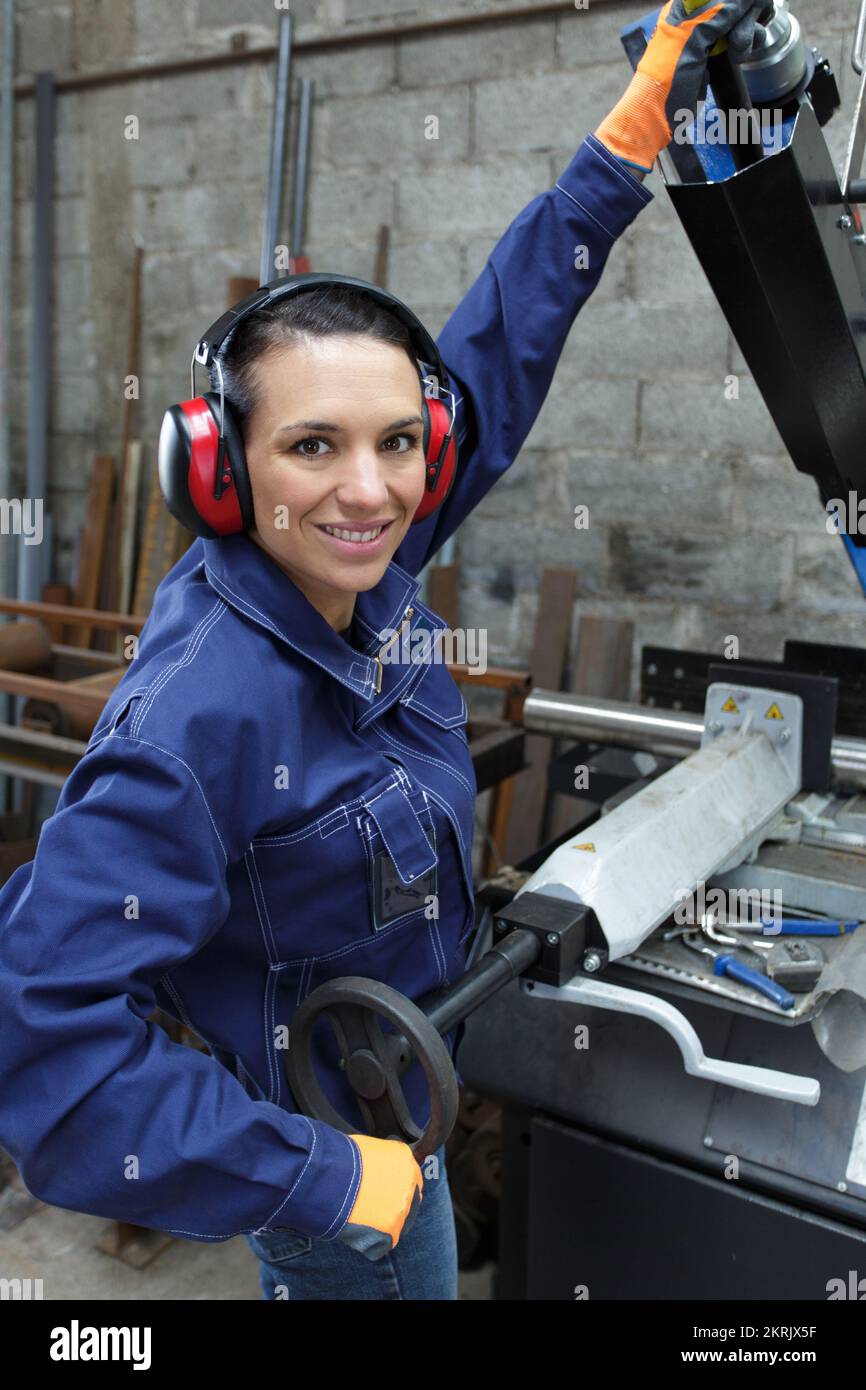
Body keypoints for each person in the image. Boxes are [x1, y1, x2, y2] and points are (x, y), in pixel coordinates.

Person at [0, 1, 765, 1302]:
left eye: (396, 441)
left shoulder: (365, 558)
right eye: (312, 444)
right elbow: (46, 1051)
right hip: (331, 1167)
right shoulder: (196, 726)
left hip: (411, 1082)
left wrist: (625, 141)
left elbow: (497, 347)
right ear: (220, 471)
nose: (368, 487)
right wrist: (318, 1176)